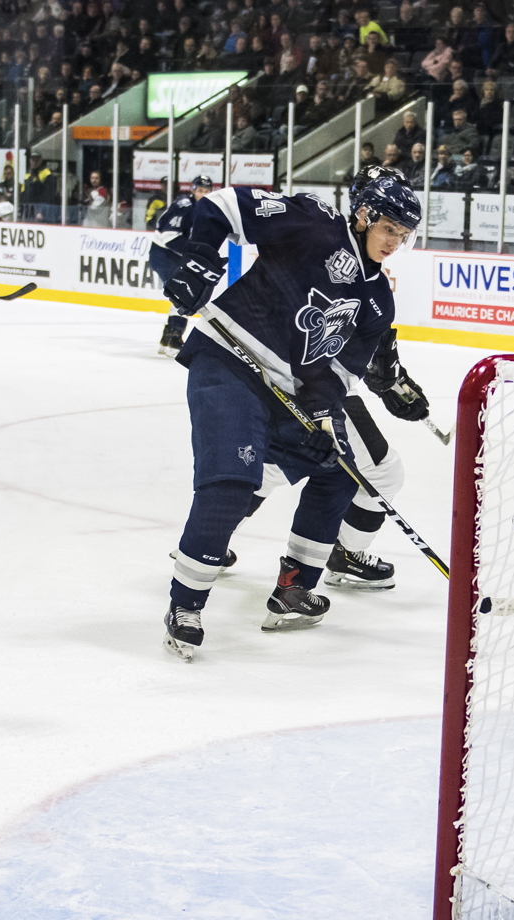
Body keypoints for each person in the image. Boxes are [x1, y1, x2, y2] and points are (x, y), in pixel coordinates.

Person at [156, 169, 420, 658]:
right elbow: (222, 206)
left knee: (343, 468)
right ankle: (185, 604)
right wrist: (199, 260)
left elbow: (338, 370)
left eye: (403, 236)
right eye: (389, 229)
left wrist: (322, 416)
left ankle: (294, 588)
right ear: (363, 215)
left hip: (291, 394)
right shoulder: (313, 221)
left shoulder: (378, 299)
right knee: (231, 482)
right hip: (229, 363)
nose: (394, 242)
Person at [148, 173, 216, 362]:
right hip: (163, 254)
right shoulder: (185, 206)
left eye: (207, 191)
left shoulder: (201, 207)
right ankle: (174, 341)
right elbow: (169, 237)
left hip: (168, 256)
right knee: (184, 295)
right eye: (200, 190)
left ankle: (167, 339)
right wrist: (195, 250)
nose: (203, 194)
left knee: (182, 295)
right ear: (193, 190)